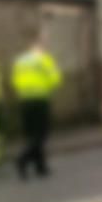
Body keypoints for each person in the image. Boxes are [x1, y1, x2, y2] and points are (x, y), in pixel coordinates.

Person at [12, 35, 62, 179]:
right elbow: (55, 79)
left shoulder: (20, 60)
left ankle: (41, 167)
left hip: (24, 101)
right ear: (40, 46)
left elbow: (14, 81)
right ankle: (22, 159)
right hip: (40, 99)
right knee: (41, 134)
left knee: (31, 135)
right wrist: (46, 86)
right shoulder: (44, 59)